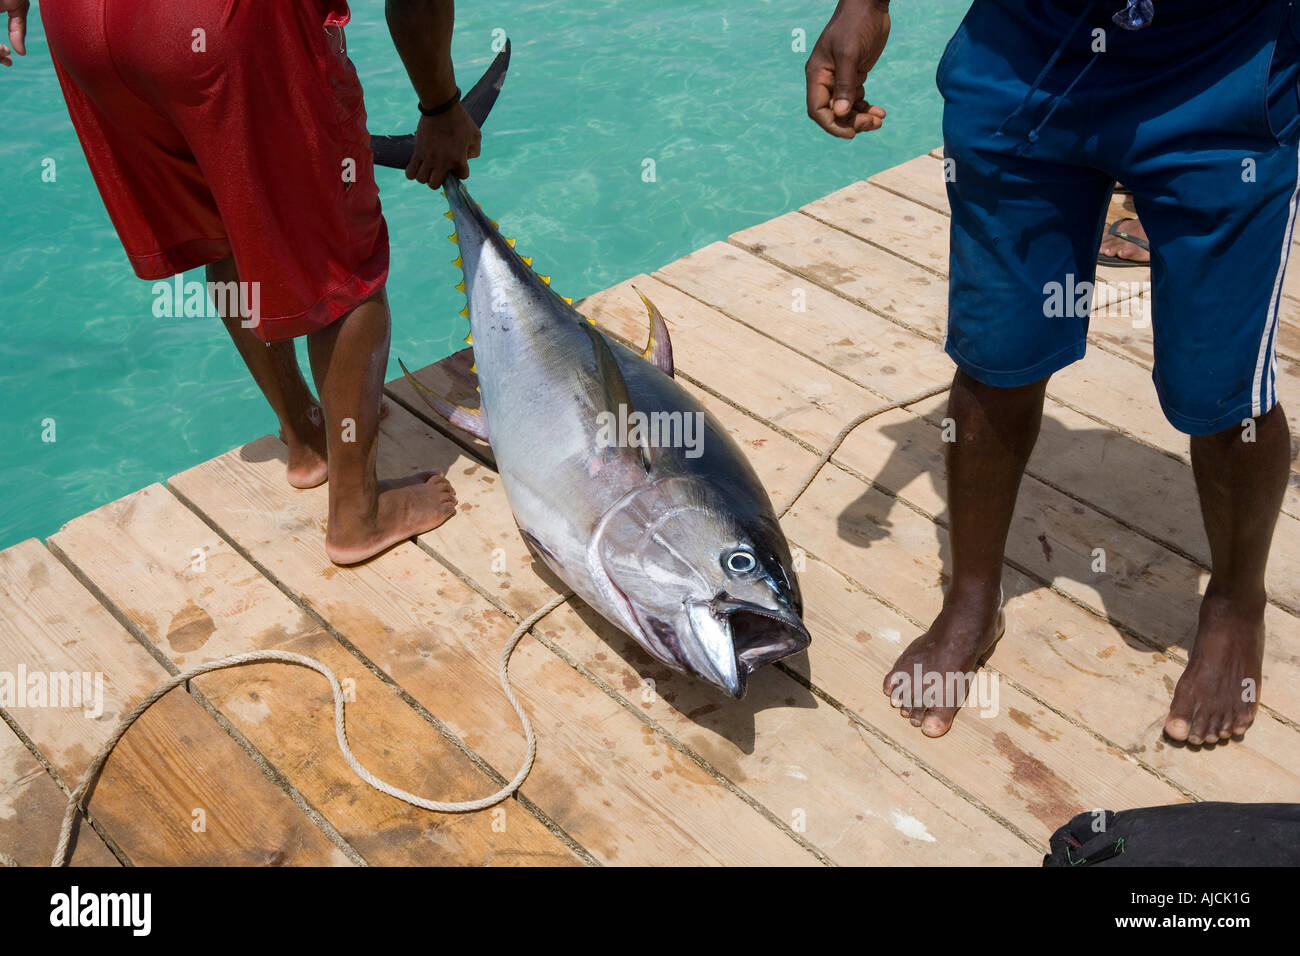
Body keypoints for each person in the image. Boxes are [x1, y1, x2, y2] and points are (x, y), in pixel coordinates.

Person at [806, 0, 1296, 745]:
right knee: (995, 357)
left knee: (1222, 390)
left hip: (1223, 69)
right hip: (1026, 53)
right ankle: (972, 596)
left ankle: (1235, 603)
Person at [2, 0, 479, 565]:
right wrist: (442, 107)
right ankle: (358, 514)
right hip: (216, 31)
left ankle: (306, 437)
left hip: (81, 30)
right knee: (344, 269)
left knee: (227, 225)